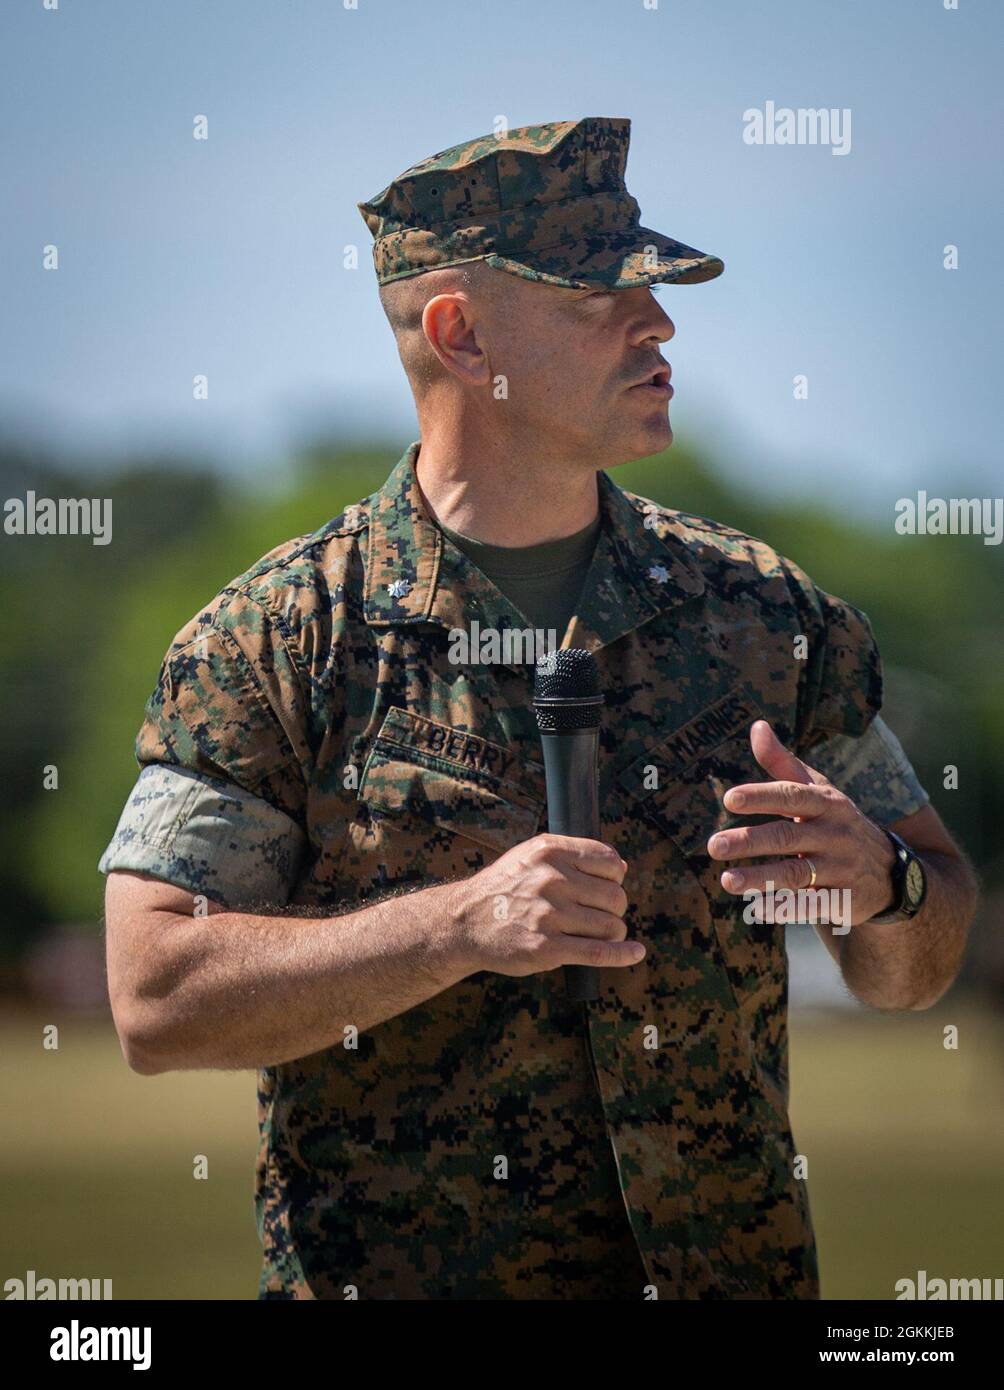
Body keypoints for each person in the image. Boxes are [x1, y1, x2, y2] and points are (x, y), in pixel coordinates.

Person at [101, 117, 978, 1300]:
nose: (658, 326)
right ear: (461, 335)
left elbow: (910, 969)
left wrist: (885, 884)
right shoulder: (275, 641)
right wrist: (453, 926)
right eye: (594, 300)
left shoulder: (768, 621)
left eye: (654, 295)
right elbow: (156, 995)